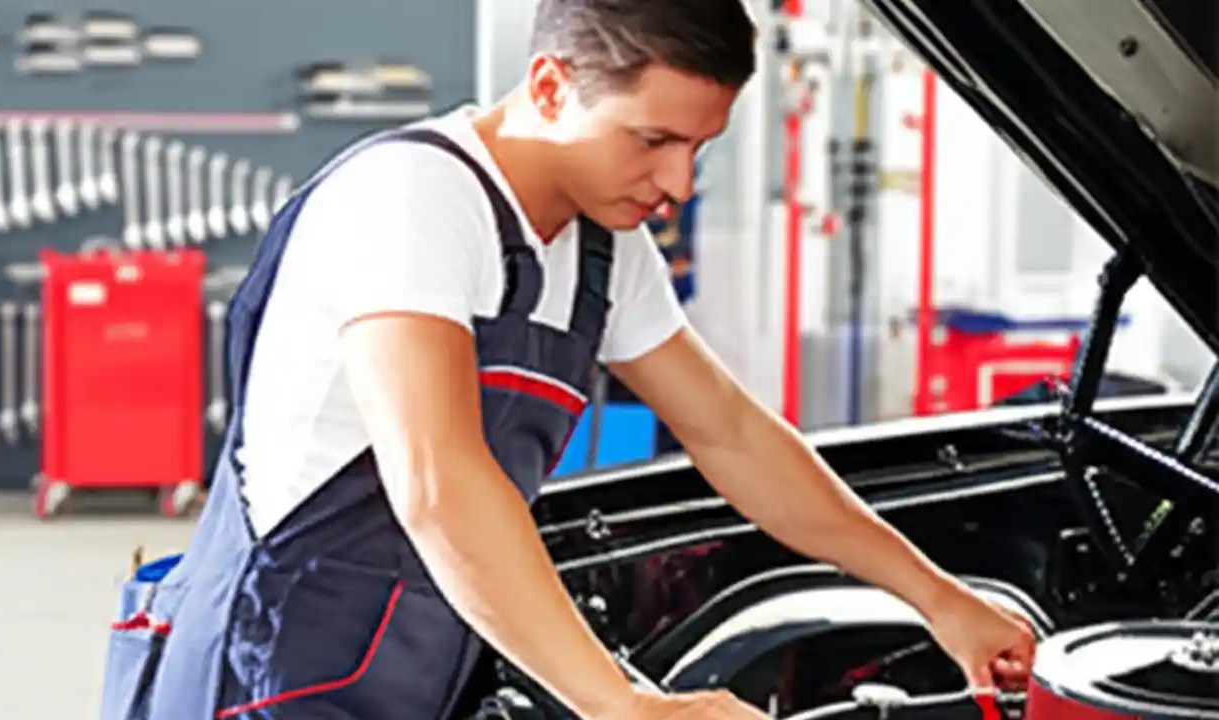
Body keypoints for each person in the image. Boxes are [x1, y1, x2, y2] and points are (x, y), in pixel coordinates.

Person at [100, 1, 1036, 719]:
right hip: (269, 678)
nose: (675, 184)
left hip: (422, 668)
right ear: (550, 87)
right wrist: (622, 707)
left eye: (698, 148)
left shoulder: (600, 251)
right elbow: (439, 481)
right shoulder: (412, 199)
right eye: (653, 139)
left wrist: (938, 598)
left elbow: (735, 435)